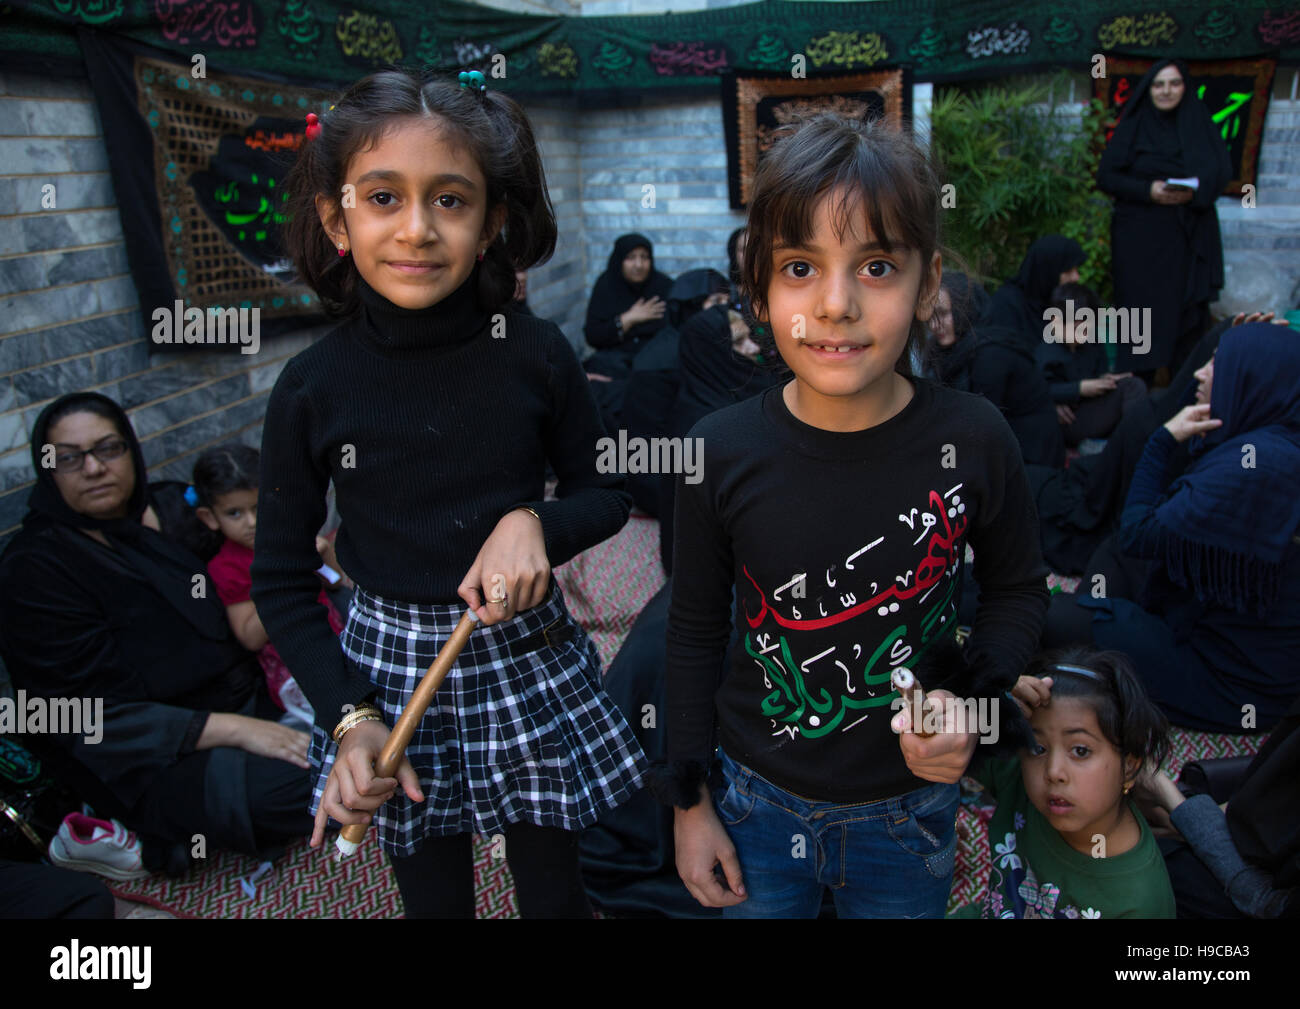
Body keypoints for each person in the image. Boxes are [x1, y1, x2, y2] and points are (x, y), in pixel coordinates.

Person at [258, 68, 646, 919]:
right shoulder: (310, 388)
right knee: (434, 901)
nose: (417, 230)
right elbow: (281, 579)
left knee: (554, 891)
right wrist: (351, 716)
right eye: (383, 197)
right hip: (391, 674)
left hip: (524, 652)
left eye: (451, 201)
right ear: (337, 218)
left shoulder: (534, 352)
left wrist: (533, 520)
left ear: (491, 221)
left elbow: (608, 491)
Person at [660, 113, 1050, 918]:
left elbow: (1017, 593)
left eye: (875, 265)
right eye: (800, 266)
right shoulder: (718, 452)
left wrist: (972, 707)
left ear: (928, 279)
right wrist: (688, 800)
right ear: (759, 290)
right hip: (753, 806)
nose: (835, 305)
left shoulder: (976, 438)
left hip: (909, 813)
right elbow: (694, 629)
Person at [0, 392, 314, 874]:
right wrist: (235, 730)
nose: (93, 468)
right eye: (69, 458)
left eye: (108, 449)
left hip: (244, 695)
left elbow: (251, 521)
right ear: (48, 469)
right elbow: (74, 716)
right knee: (313, 787)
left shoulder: (162, 515)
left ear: (131, 451)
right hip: (150, 755)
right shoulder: (35, 569)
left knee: (363, 725)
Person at [1042, 322, 1300, 733]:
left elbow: (1139, 531)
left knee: (1043, 616)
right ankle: (1092, 653)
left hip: (1226, 679)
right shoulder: (1270, 442)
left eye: (1218, 363)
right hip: (1214, 635)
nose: (1199, 371)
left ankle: (1091, 656)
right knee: (1110, 564)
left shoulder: (1255, 467)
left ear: (1251, 378)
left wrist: (1163, 441)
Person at [952, 647, 1176, 918]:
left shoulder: (1140, 900)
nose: (1054, 772)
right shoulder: (1019, 775)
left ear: (1129, 767)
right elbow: (944, 733)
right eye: (1038, 747)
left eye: (1080, 750)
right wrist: (997, 699)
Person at [192, 443, 344, 731]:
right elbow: (250, 638)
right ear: (209, 517)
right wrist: (282, 577)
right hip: (296, 664)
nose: (251, 522)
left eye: (258, 507)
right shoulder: (226, 568)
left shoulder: (287, 534)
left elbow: (333, 582)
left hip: (334, 636)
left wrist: (321, 556)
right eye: (234, 513)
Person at [1098, 59, 1232, 381]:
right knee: (1140, 321)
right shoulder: (1134, 125)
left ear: (1185, 87)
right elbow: (1106, 177)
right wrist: (1149, 190)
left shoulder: (1199, 124)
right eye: (1158, 84)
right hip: (1140, 244)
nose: (1166, 91)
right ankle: (1137, 403)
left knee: (1185, 320)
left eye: (1174, 83)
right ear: (1149, 88)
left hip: (1188, 238)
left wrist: (1192, 192)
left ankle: (1183, 401)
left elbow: (1220, 173)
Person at [926, 271, 1065, 467]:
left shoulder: (990, 353)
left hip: (1030, 458)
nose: (934, 325)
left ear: (965, 310)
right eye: (930, 315)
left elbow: (981, 428)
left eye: (943, 314)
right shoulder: (954, 349)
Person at [1036, 282, 1144, 446]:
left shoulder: (1092, 345)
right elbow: (1036, 391)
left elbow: (1098, 375)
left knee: (1132, 385)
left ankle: (1128, 445)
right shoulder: (1045, 351)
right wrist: (1079, 389)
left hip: (1091, 410)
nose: (1084, 332)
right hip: (1064, 421)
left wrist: (1107, 380)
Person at [981, 234, 1085, 353]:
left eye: (1077, 270)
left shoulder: (1061, 304)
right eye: (1068, 270)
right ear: (1047, 270)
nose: (1076, 277)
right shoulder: (1006, 306)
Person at [583, 233, 674, 360]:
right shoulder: (606, 285)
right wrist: (628, 319)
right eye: (630, 258)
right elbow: (593, 336)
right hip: (613, 361)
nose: (639, 265)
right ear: (619, 260)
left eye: (644, 257)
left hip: (655, 361)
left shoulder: (663, 286)